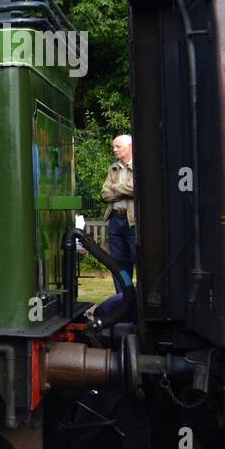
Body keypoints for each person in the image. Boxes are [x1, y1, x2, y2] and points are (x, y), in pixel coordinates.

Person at [94, 134, 136, 325]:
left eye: (118, 146)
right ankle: (122, 302)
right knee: (118, 265)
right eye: (114, 147)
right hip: (116, 221)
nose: (114, 150)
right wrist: (123, 188)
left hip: (133, 222)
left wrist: (116, 189)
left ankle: (139, 305)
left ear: (129, 147)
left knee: (139, 261)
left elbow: (136, 187)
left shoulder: (139, 165)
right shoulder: (113, 168)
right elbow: (104, 193)